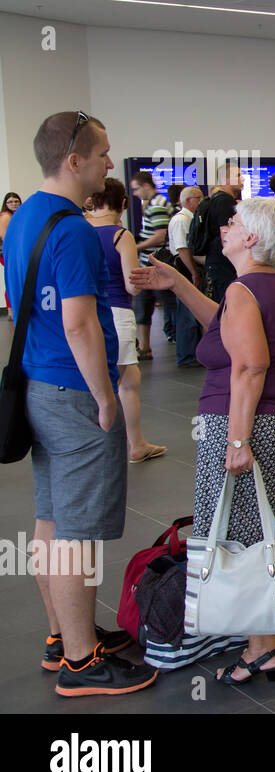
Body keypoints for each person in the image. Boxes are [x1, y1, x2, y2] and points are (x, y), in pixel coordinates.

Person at [131, 197, 275, 684]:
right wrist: (180, 283)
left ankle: (260, 647)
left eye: (233, 224)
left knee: (239, 533)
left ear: (251, 238)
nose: (225, 228)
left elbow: (250, 365)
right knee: (267, 527)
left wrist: (236, 439)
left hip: (248, 424)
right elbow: (227, 327)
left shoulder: (244, 290)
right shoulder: (271, 287)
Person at [8, 111, 155, 696]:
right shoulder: (70, 228)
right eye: (102, 154)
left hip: (38, 386)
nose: (109, 164)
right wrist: (106, 397)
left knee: (52, 519)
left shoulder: (24, 218)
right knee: (78, 532)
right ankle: (79, 661)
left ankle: (61, 636)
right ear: (74, 161)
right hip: (72, 391)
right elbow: (78, 324)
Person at [86, 178, 168, 464]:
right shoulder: (121, 235)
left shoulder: (79, 230)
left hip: (85, 313)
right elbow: (132, 285)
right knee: (128, 380)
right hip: (117, 311)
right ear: (122, 203)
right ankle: (136, 444)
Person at [129, 171, 175, 359]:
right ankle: (144, 347)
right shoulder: (154, 204)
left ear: (146, 186)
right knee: (143, 305)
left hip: (156, 264)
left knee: (169, 305)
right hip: (149, 265)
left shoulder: (156, 205)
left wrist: (135, 247)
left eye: (136, 189)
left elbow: (159, 236)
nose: (135, 194)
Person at [167, 185, 204, 367]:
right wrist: (194, 272)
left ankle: (192, 352)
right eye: (199, 198)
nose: (202, 201)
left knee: (192, 309)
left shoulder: (191, 219)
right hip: (184, 267)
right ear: (189, 200)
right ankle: (187, 355)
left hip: (187, 266)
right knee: (187, 311)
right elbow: (183, 249)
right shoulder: (182, 220)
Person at [201, 161, 244, 304]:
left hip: (218, 263)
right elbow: (225, 235)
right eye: (237, 175)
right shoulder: (224, 201)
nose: (242, 178)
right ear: (226, 180)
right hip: (223, 265)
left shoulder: (220, 199)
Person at [0, 191, 21, 316]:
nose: (14, 204)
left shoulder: (17, 215)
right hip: (8, 253)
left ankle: (12, 310)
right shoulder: (6, 216)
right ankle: (11, 311)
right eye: (10, 202)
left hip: (13, 252)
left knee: (15, 278)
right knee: (12, 279)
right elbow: (4, 237)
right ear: (5, 204)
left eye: (16, 201)